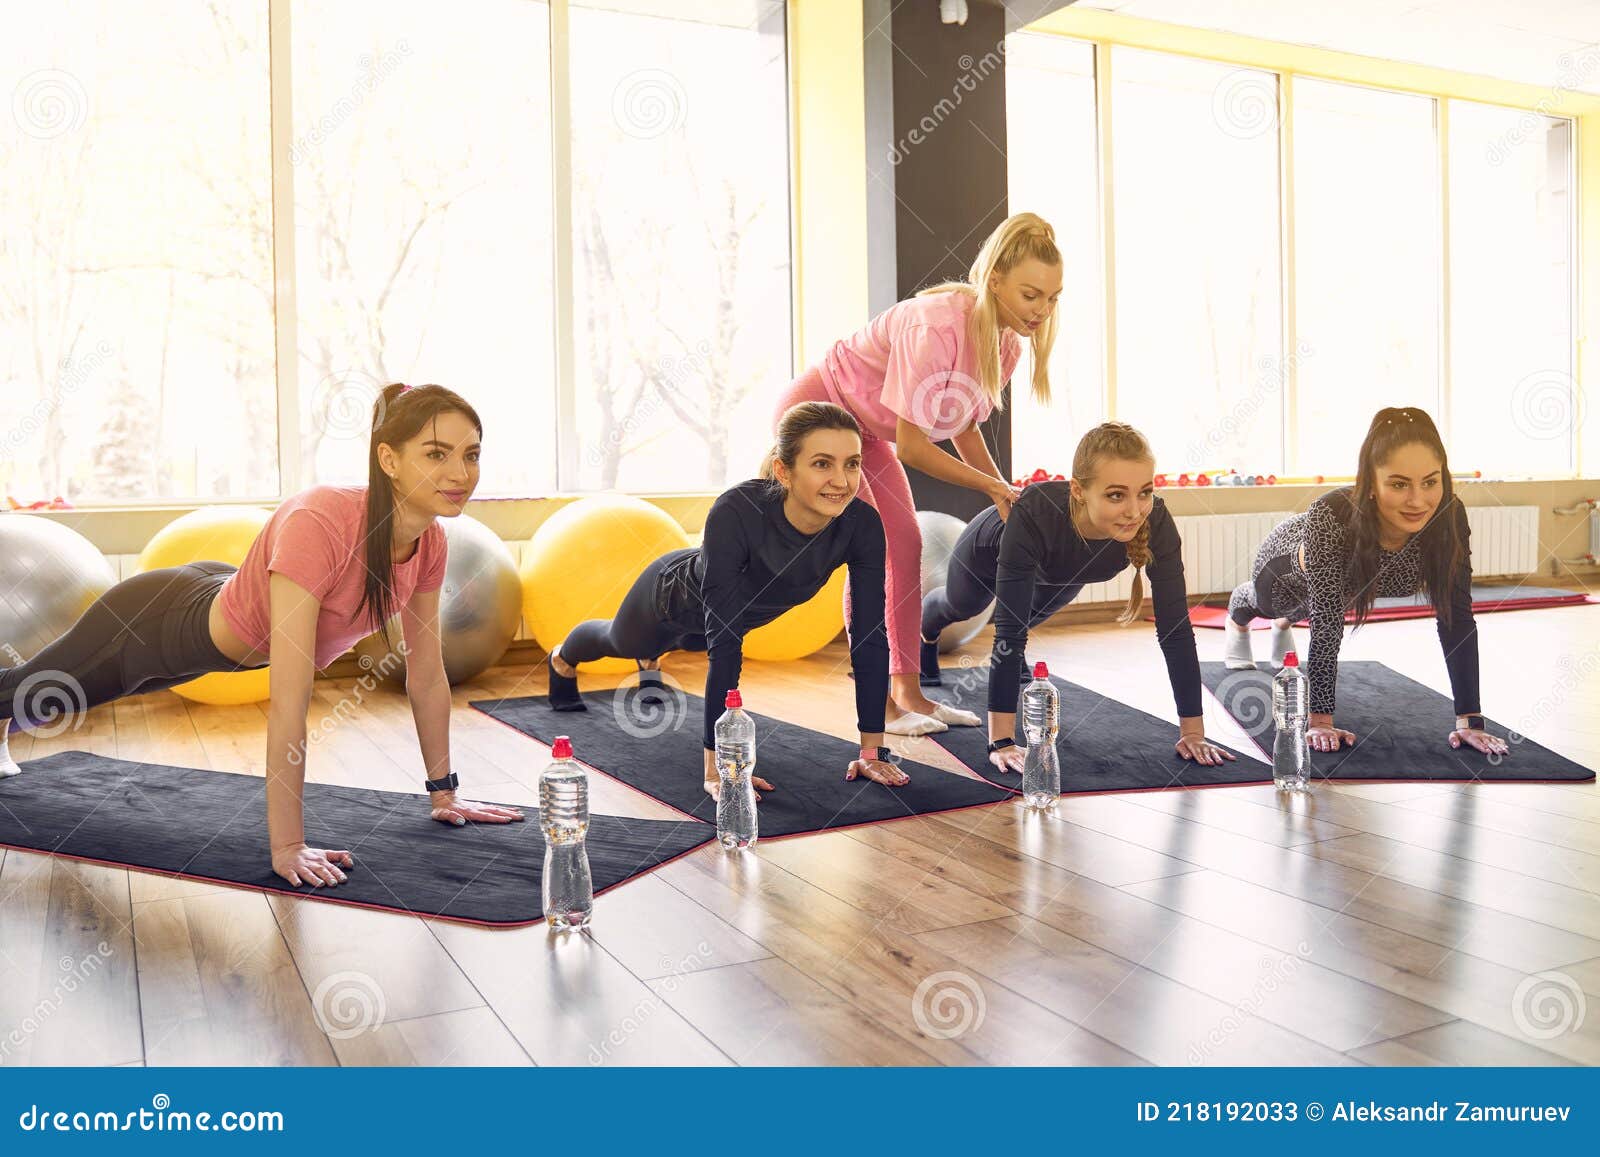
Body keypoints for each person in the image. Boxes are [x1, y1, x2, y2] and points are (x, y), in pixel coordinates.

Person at [0, 383, 524, 888]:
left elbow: (428, 677)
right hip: (157, 623)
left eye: (471, 454)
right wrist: (287, 846)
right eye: (437, 454)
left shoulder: (429, 543)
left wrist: (443, 794)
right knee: (37, 698)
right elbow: (289, 700)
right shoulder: (322, 521)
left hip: (216, 630)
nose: (460, 473)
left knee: (34, 698)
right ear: (388, 459)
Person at [772, 211, 1064, 734]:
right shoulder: (936, 326)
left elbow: (963, 427)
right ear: (994, 280)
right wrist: (991, 486)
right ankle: (878, 708)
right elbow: (912, 445)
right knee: (869, 552)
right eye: (1030, 294)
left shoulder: (1007, 346)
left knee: (903, 546)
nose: (1041, 309)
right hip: (820, 413)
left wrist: (1000, 492)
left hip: (865, 433)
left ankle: (909, 693)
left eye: (1052, 297)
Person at [548, 401, 910, 798]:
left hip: (728, 620)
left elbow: (869, 635)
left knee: (690, 643)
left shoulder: (861, 525)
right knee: (619, 642)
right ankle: (562, 658)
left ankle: (650, 661)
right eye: (822, 464)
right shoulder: (738, 511)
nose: (841, 481)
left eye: (852, 464)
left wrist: (872, 750)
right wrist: (718, 769)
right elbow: (724, 643)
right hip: (670, 601)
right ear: (783, 471)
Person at [922, 422, 1235, 776]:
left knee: (1026, 621)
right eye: (1116, 495)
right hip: (984, 551)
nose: (1135, 510)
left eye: (1144, 492)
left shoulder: (1156, 521)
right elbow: (1007, 636)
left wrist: (1193, 733)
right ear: (1078, 491)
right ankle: (926, 632)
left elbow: (1175, 631)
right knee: (962, 607)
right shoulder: (1035, 511)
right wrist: (1002, 743)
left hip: (1062, 572)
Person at [1224, 406, 1509, 757]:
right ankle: (1238, 622)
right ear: (1370, 484)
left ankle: (1285, 624)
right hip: (1285, 566)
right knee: (1270, 605)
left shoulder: (1449, 514)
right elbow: (1327, 621)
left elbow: (1457, 616)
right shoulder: (1329, 515)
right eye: (1399, 484)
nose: (1418, 500)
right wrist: (1321, 721)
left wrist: (1470, 720)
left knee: (1315, 601)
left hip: (1341, 585)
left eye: (1430, 482)